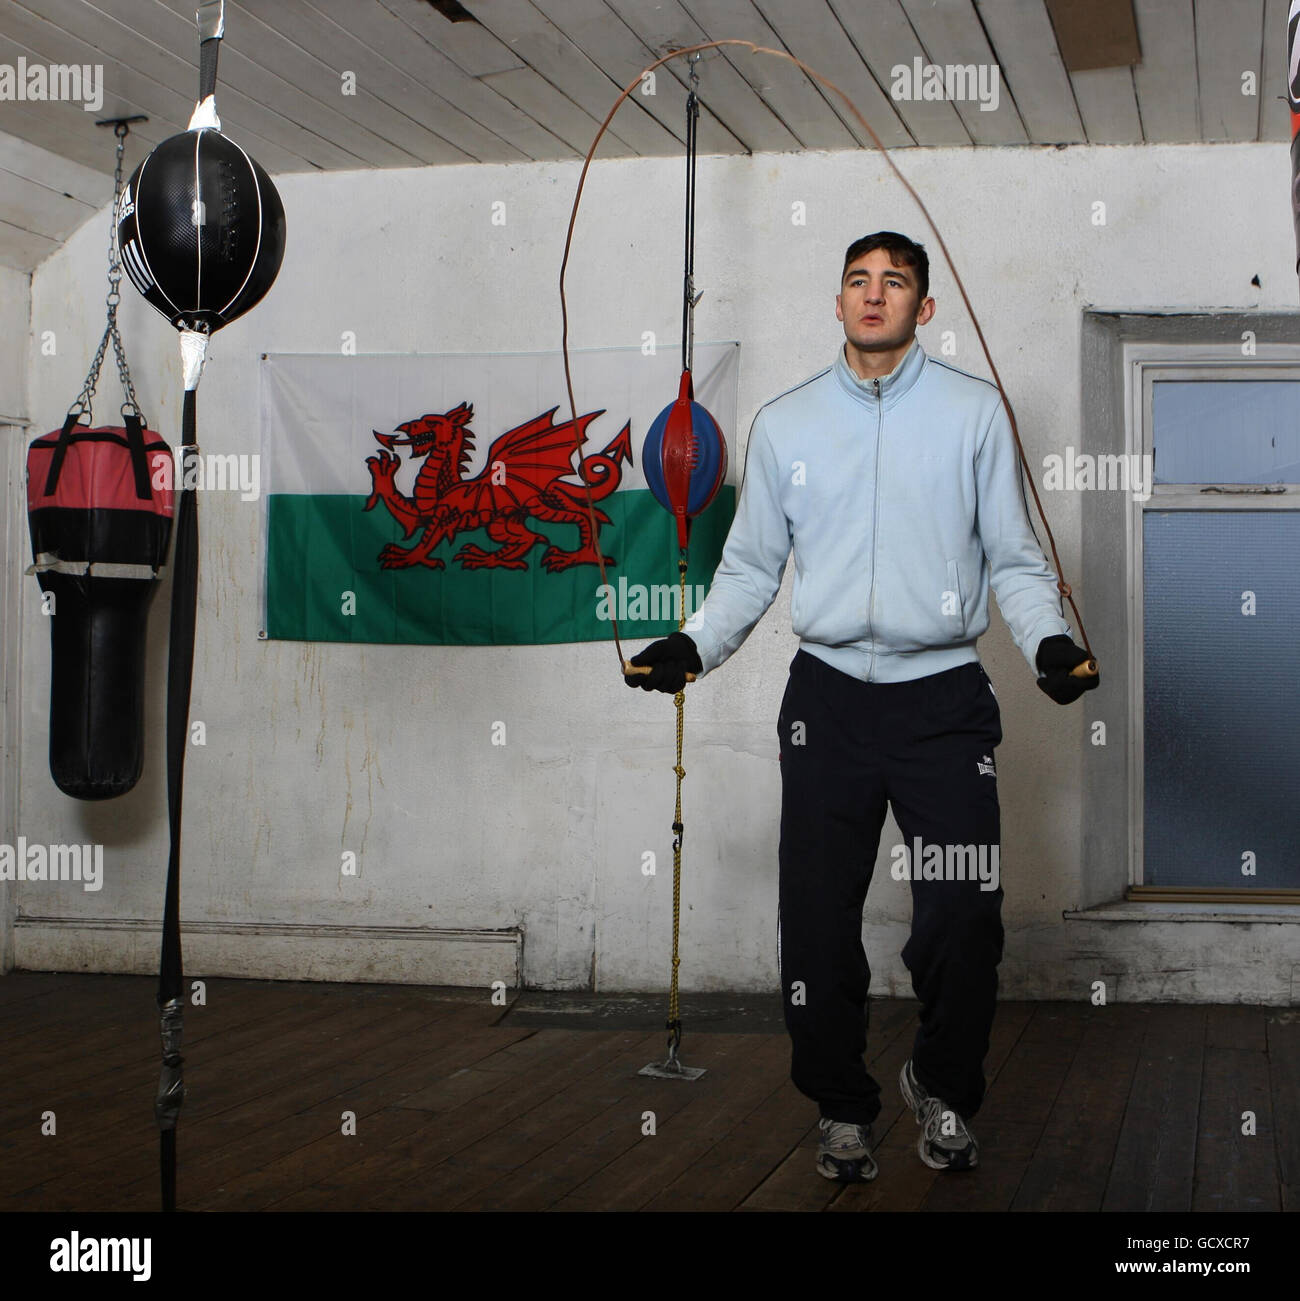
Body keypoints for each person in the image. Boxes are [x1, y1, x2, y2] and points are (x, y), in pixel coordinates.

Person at [624, 231, 1098, 1184]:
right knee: (815, 917)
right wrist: (693, 646)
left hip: (945, 704)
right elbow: (753, 567)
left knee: (964, 916)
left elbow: (1014, 555)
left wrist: (1047, 638)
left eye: (896, 283)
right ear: (837, 302)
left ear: (926, 310)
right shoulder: (788, 424)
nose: (874, 296)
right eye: (858, 281)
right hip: (829, 705)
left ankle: (945, 1083)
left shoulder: (972, 415)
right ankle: (842, 1103)